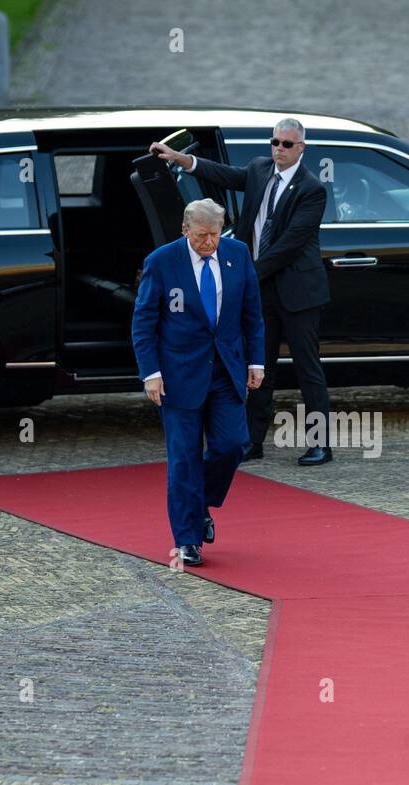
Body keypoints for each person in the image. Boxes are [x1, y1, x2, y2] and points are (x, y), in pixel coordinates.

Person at [150, 117, 333, 466]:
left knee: (308, 369)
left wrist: (246, 274)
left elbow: (289, 245)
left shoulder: (312, 189)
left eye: (287, 144)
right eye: (275, 142)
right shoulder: (260, 168)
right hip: (262, 290)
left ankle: (320, 443)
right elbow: (223, 174)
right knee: (259, 366)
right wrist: (180, 158)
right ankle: (252, 442)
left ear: (301, 149)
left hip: (298, 292)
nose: (279, 149)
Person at [131, 198, 265, 567]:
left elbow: (252, 314)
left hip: (226, 370)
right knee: (184, 459)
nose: (209, 243)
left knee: (233, 444)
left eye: (215, 235)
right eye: (202, 235)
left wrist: (256, 361)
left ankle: (199, 501)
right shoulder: (161, 261)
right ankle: (188, 539)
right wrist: (151, 374)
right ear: (185, 230)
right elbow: (143, 322)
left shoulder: (237, 254)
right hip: (177, 377)